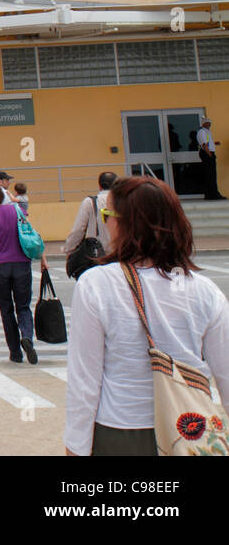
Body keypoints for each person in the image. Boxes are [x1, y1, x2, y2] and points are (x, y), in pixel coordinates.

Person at [65, 176, 229, 456]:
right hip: (191, 429)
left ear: (127, 223)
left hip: (121, 430)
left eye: (107, 214)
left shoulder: (96, 284)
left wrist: (76, 447)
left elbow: (85, 379)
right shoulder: (205, 290)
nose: (105, 223)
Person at [0, 185, 48, 363]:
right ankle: (27, 337)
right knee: (23, 306)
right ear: (2, 197)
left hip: (0, 266)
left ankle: (15, 352)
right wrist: (43, 259)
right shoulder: (17, 210)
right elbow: (32, 233)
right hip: (22, 263)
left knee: (6, 309)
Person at [64, 171, 117, 261]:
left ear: (99, 186)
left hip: (97, 254)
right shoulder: (125, 201)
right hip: (119, 254)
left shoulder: (90, 202)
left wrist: (69, 249)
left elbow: (79, 229)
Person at [198, 118, 225, 201]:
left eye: (209, 123)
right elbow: (204, 144)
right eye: (207, 123)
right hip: (207, 153)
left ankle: (211, 194)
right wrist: (209, 154)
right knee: (210, 175)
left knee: (211, 175)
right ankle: (213, 194)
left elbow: (208, 142)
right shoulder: (202, 132)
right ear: (203, 124)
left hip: (208, 153)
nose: (209, 124)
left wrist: (214, 143)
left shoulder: (207, 132)